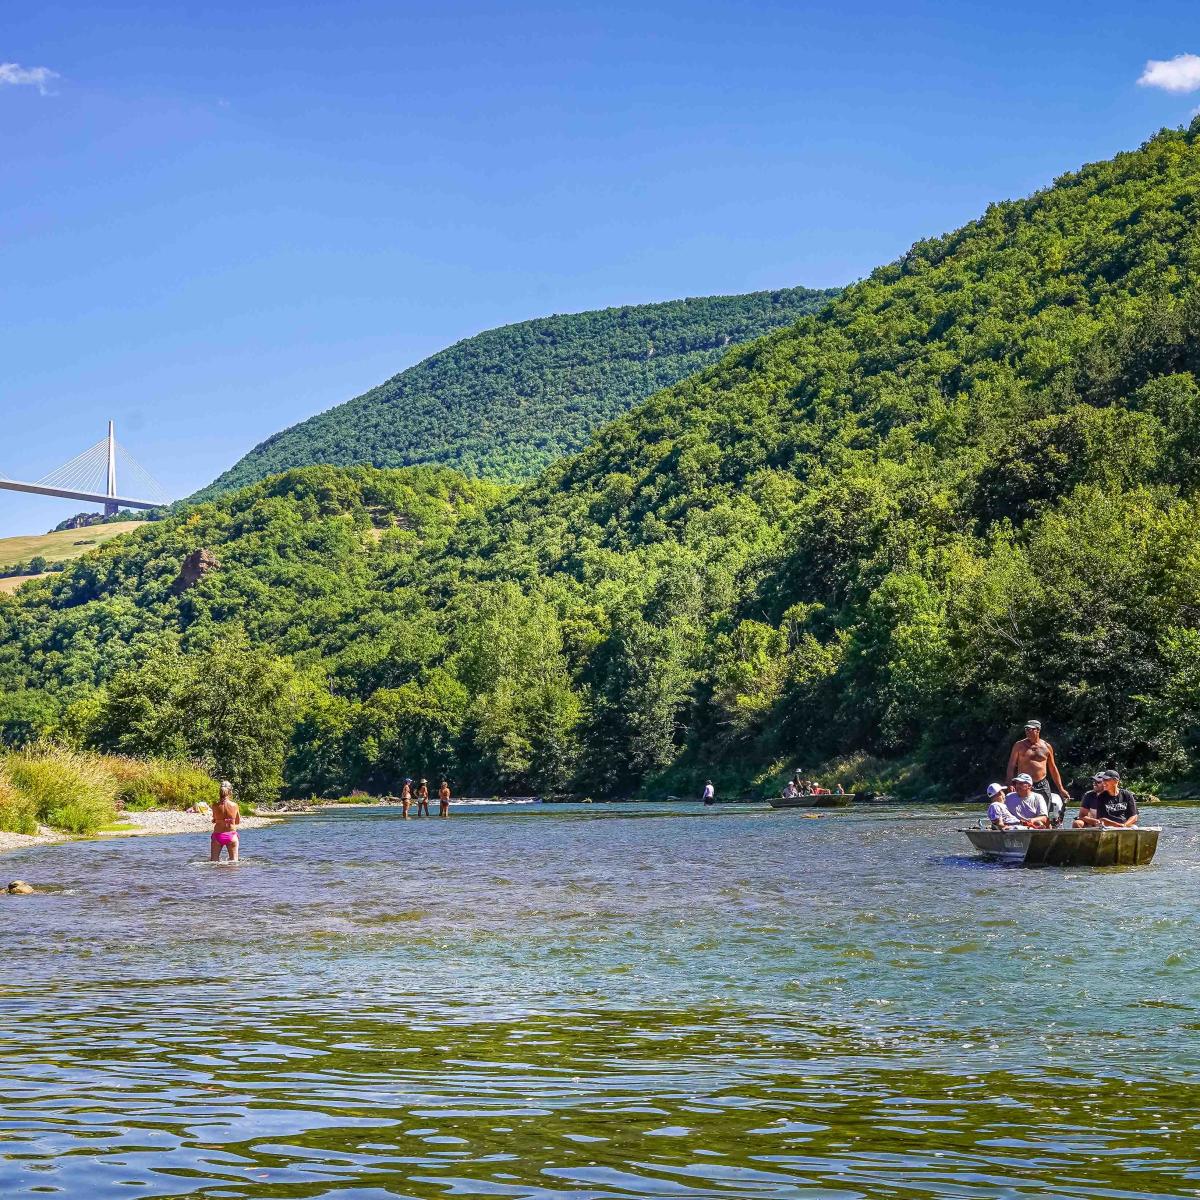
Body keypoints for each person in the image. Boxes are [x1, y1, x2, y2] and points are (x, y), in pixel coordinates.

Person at [1005, 720, 1070, 811]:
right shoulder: (1019, 745)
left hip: (1041, 783)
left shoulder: (1046, 746)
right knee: (1024, 810)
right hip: (1024, 784)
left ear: (1038, 730)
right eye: (1026, 729)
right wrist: (1010, 783)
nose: (1027, 731)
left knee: (1045, 811)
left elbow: (1053, 768)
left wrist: (1061, 789)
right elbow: (1011, 765)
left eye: (1030, 729)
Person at [210, 780, 240, 862]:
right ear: (230, 792)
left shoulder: (215, 806)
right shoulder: (234, 805)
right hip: (231, 835)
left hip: (217, 836)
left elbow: (215, 819)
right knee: (234, 863)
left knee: (214, 862)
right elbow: (237, 821)